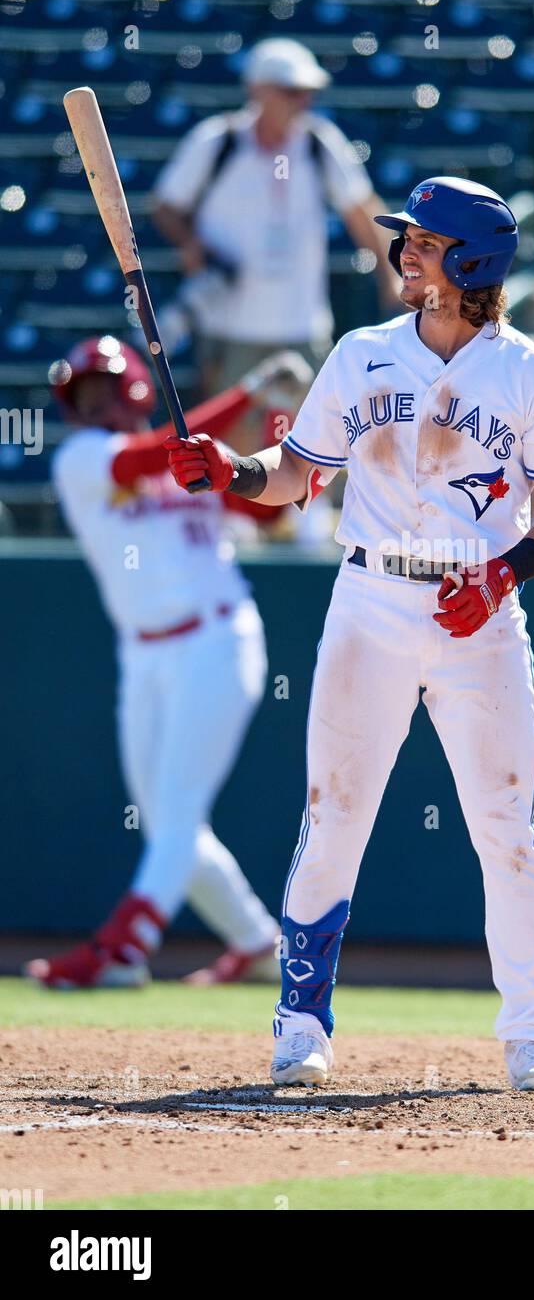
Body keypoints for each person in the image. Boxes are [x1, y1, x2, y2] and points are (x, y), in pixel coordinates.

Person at [166, 177, 534, 1092]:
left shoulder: (530, 377)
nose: (404, 251)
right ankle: (300, 1021)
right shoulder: (361, 354)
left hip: (480, 616)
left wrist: (508, 571)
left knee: (507, 830)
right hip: (371, 604)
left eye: (425, 242)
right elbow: (295, 474)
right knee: (334, 819)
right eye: (408, 239)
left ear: (472, 262)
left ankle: (531, 1034)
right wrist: (233, 468)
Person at [26, 337, 306, 989]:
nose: (93, 402)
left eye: (103, 387)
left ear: (135, 390)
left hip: (218, 639)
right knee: (167, 824)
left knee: (175, 816)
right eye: (83, 392)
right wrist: (250, 393)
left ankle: (125, 946)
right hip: (144, 654)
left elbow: (267, 515)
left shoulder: (189, 464)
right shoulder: (82, 459)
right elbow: (148, 457)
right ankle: (258, 941)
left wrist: (274, 417)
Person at [151, 36, 398, 450]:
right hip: (229, 325)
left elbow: (361, 208)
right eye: (291, 91)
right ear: (257, 90)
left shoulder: (319, 142)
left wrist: (388, 272)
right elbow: (166, 206)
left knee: (311, 443)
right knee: (228, 445)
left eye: (307, 93)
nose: (302, 101)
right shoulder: (218, 141)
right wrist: (190, 242)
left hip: (300, 324)